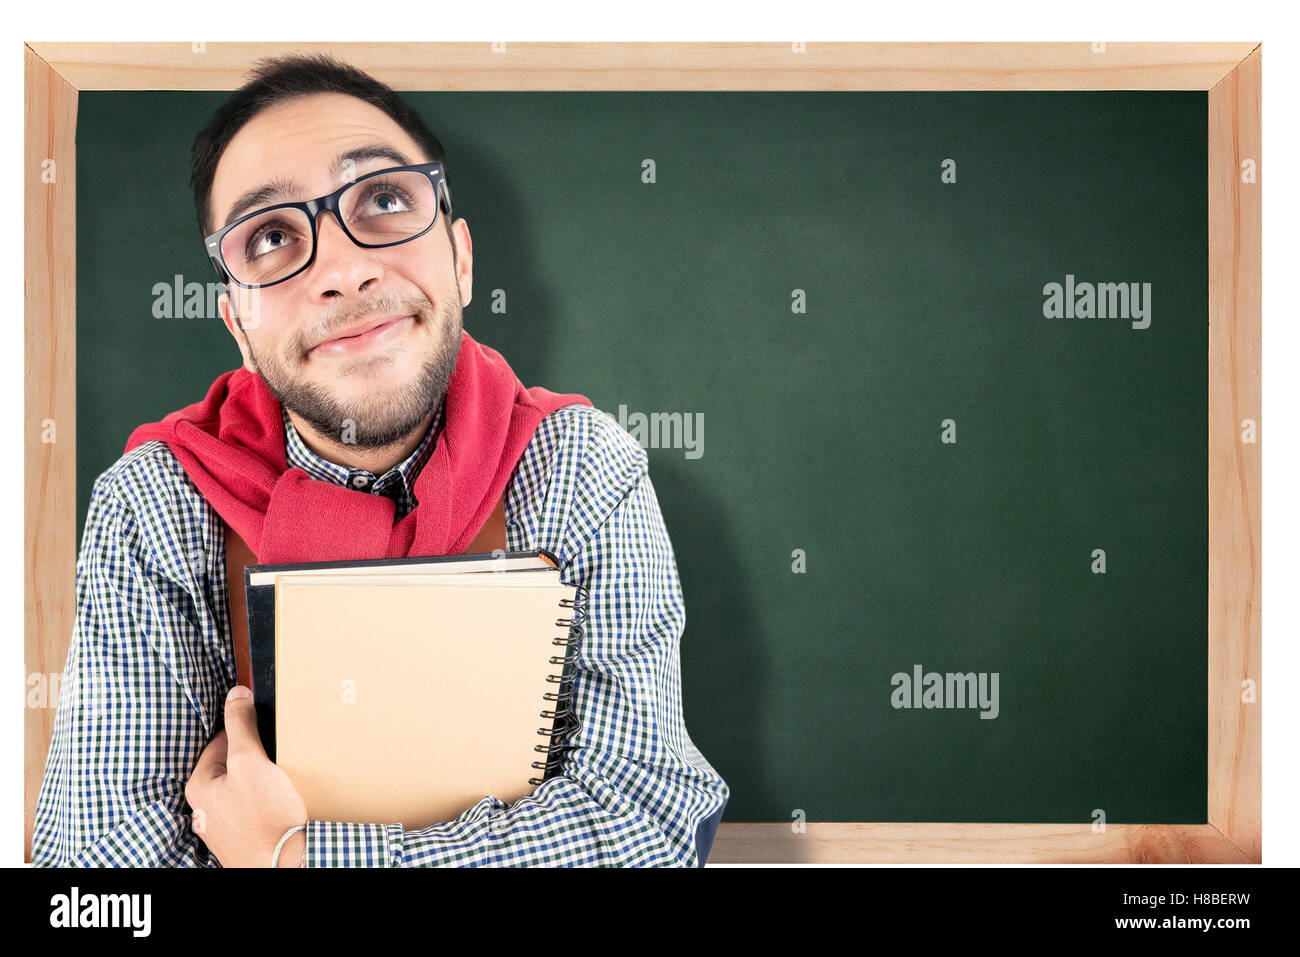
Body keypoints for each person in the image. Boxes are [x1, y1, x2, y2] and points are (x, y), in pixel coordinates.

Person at [31, 53, 728, 868]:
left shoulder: (582, 470)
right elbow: (100, 878)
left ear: (461, 260)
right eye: (272, 237)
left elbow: (643, 819)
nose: (341, 269)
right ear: (238, 327)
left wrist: (294, 857)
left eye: (386, 200)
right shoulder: (152, 507)